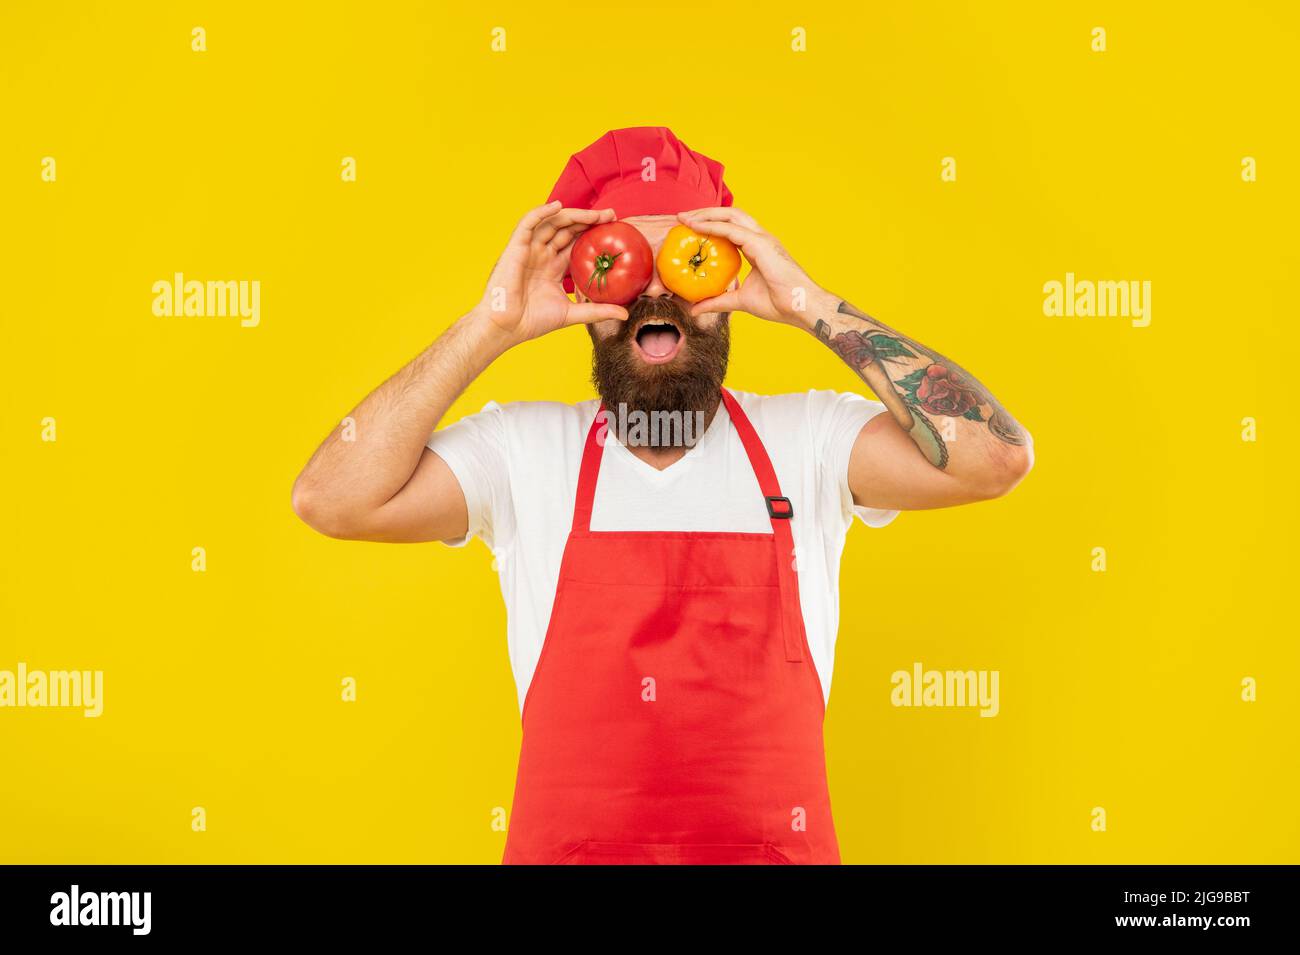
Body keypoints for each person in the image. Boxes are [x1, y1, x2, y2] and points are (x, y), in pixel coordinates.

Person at [291, 127, 1033, 864]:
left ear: (731, 284)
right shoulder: (523, 452)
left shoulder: (806, 441)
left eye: (686, 266)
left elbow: (995, 457)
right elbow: (331, 498)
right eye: (627, 264)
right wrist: (489, 326)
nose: (655, 290)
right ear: (585, 292)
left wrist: (811, 303)